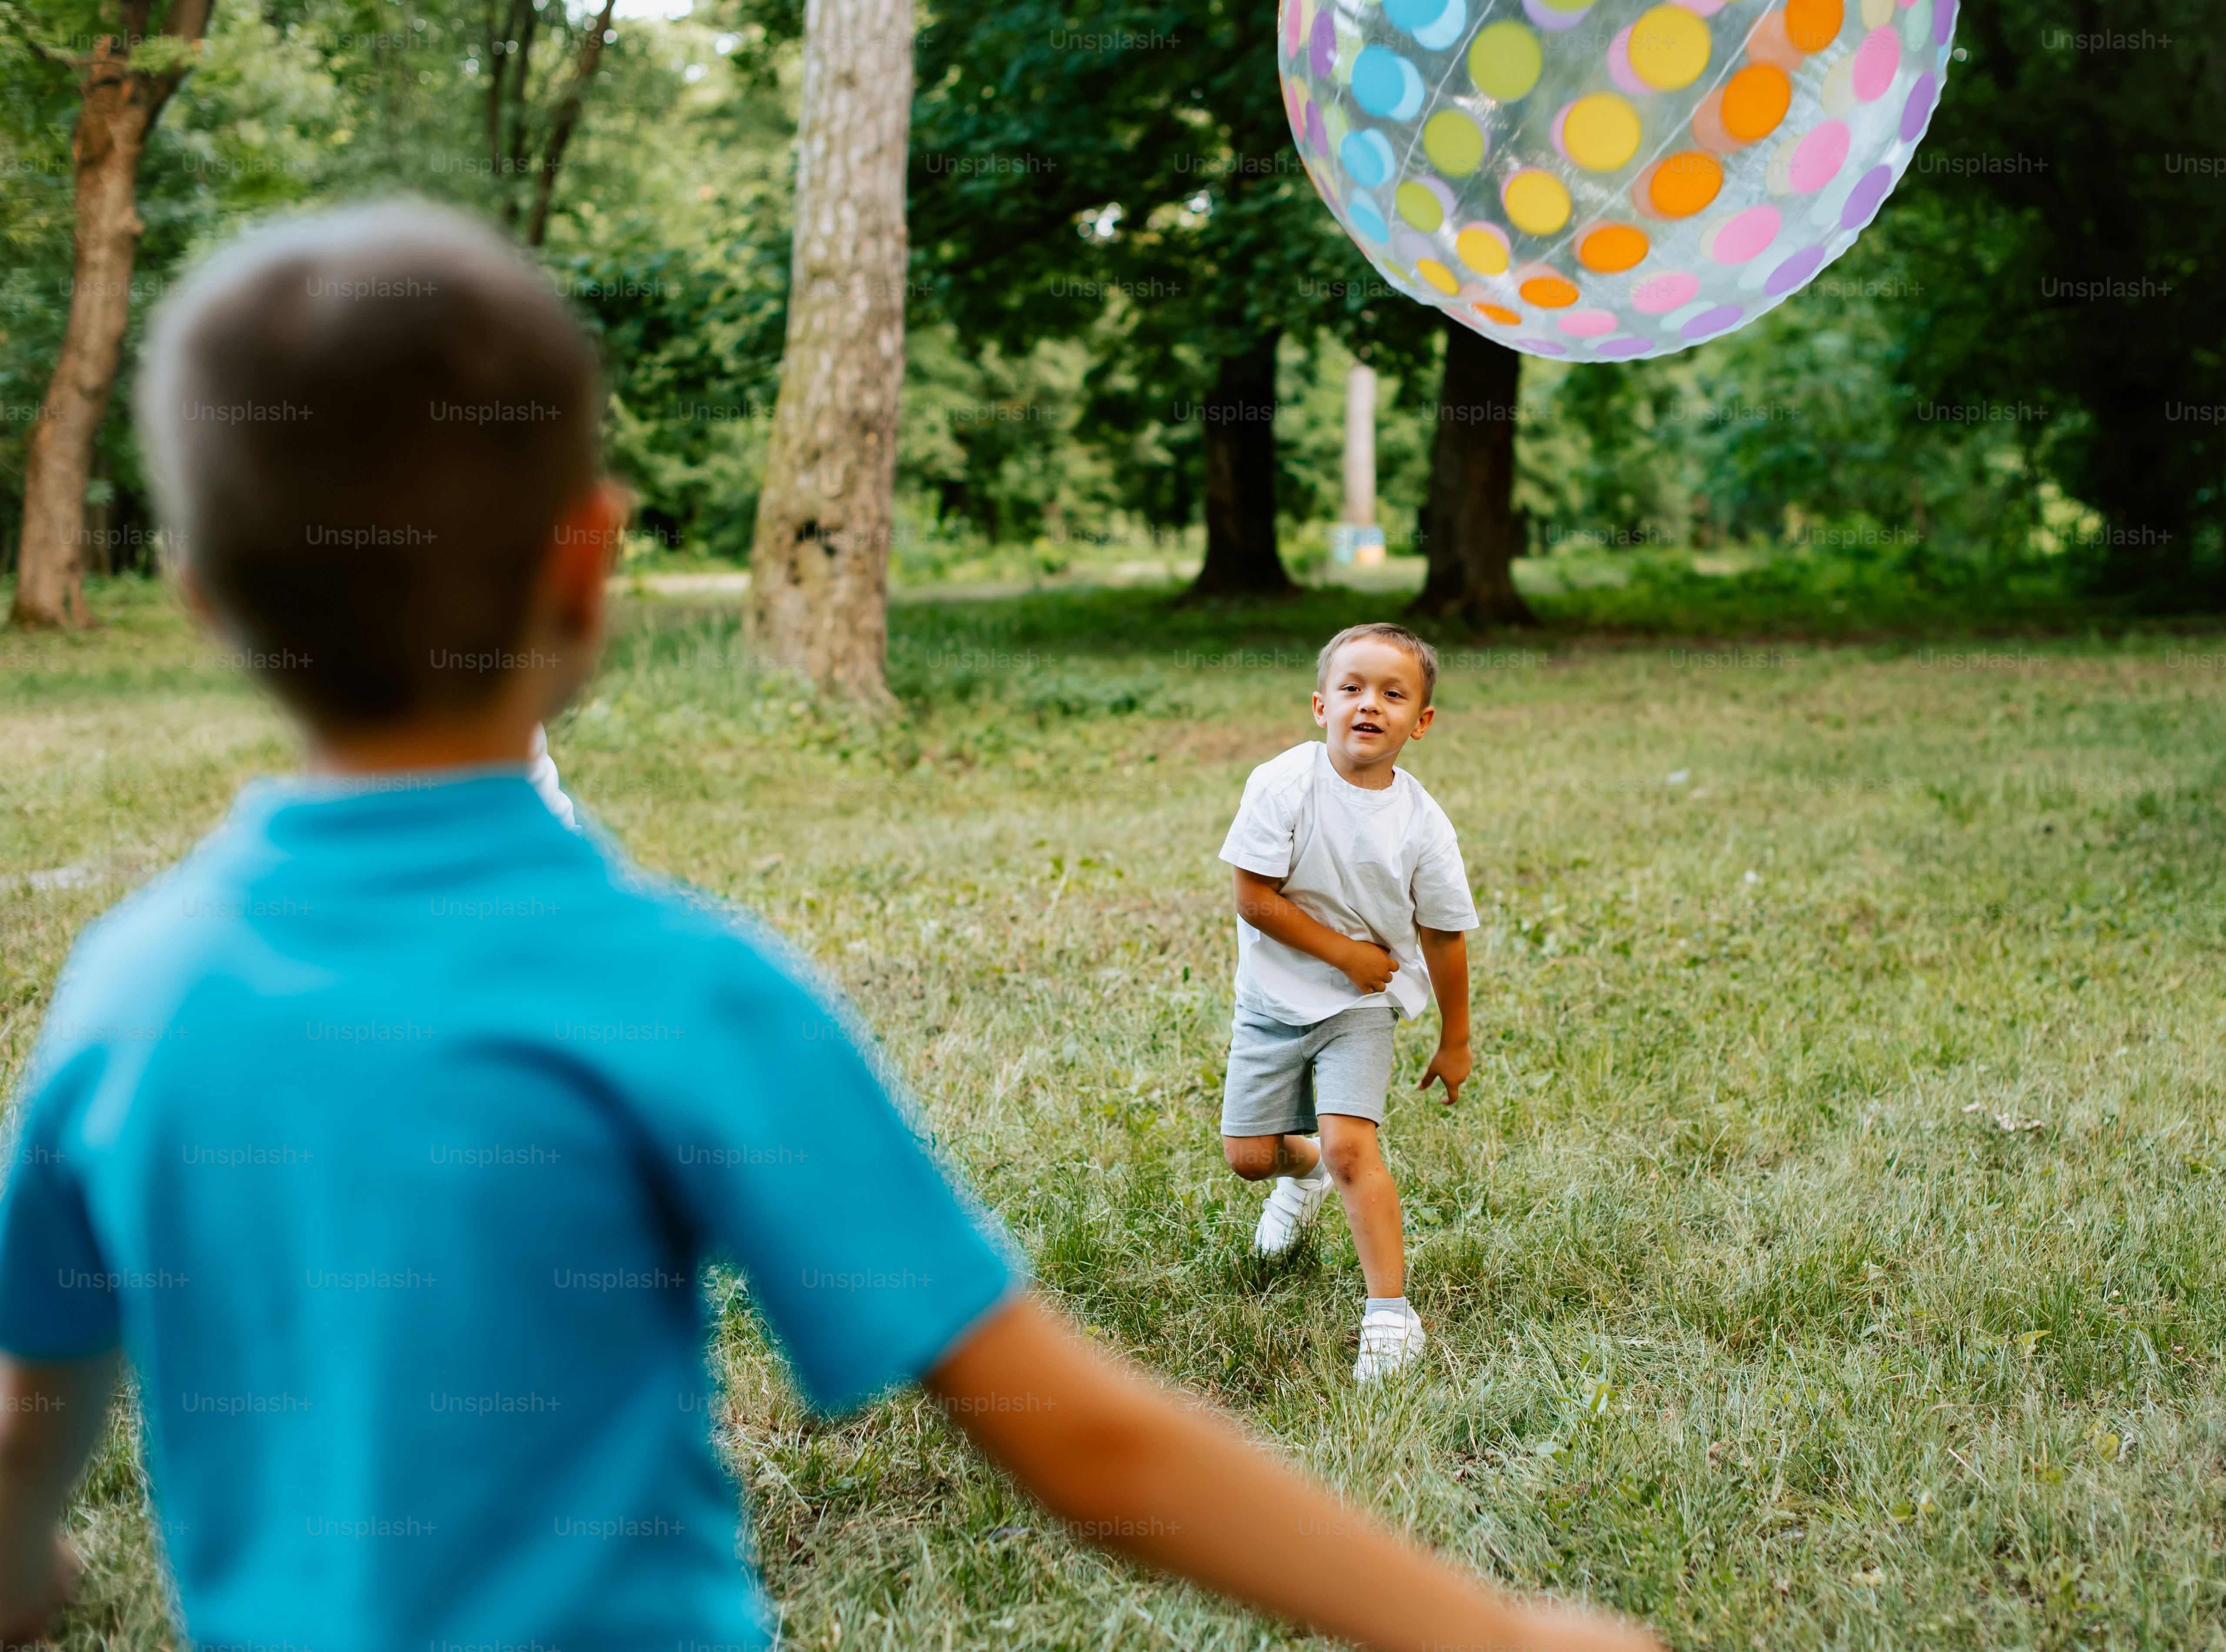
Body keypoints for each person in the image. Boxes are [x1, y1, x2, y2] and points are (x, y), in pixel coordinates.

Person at [0, 203, 1659, 1652]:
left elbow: (30, 1408)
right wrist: (1487, 1625)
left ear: (205, 605)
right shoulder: (684, 994)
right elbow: (1074, 1438)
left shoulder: (125, 991)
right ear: (590, 569)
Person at [1218, 622, 1476, 1382]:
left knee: (1353, 1146)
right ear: (1320, 705)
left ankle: (1391, 1317)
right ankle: (1305, 1175)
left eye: (1393, 694)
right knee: (1249, 1158)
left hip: (1364, 1005)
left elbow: (1444, 933)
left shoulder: (1423, 823)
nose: (1370, 705)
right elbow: (1252, 899)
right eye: (1352, 689)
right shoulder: (1282, 783)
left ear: (1420, 722)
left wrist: (1455, 1038)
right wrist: (1347, 953)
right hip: (1271, 998)